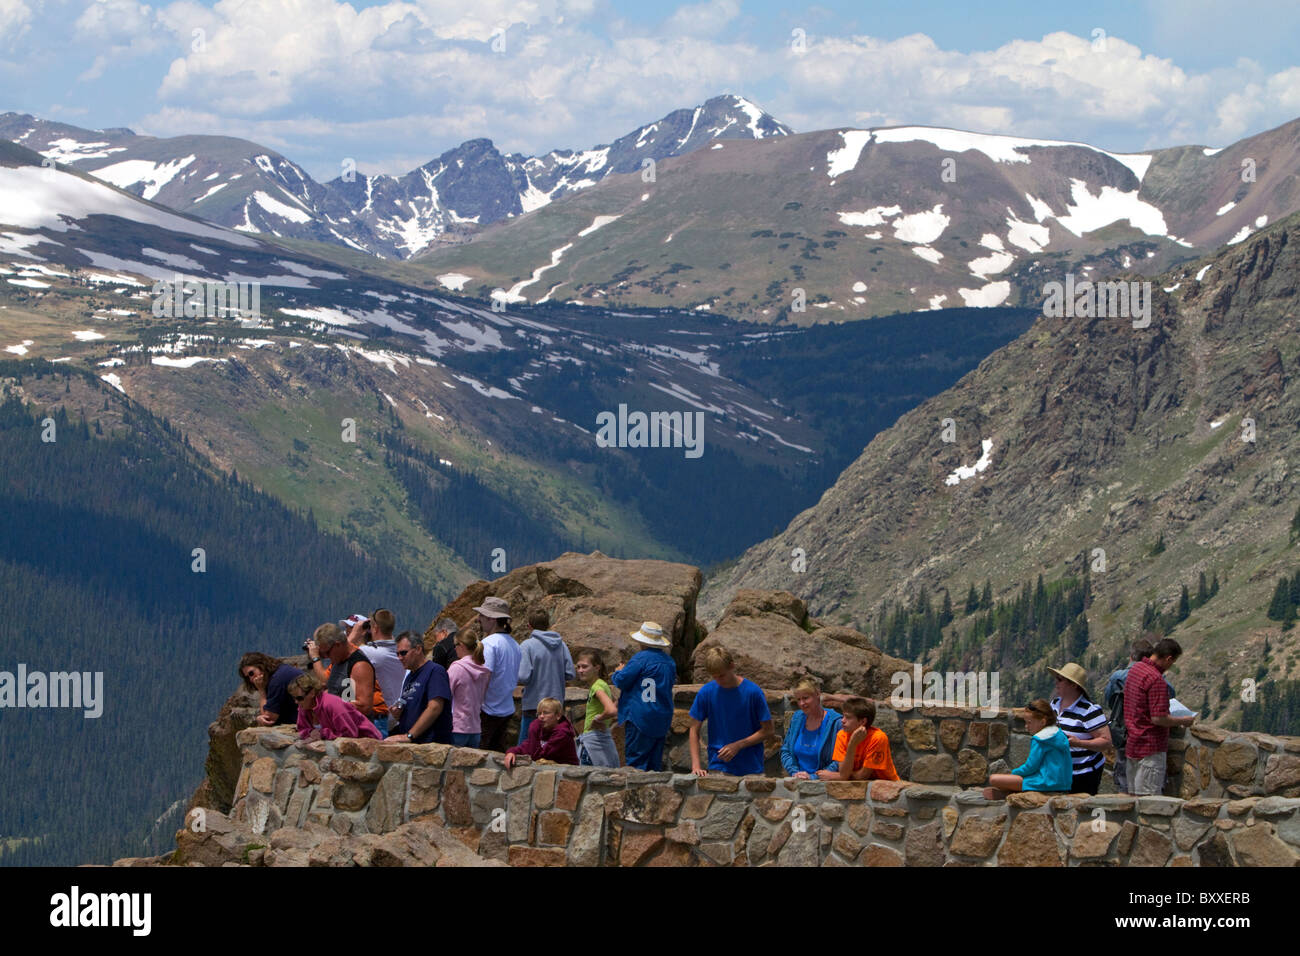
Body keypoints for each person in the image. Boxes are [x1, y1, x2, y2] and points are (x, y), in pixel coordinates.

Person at [1124, 637, 1195, 796]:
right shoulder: (1156, 679)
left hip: (1133, 743)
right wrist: (1184, 720)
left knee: (1132, 799)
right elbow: (1158, 718)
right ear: (1169, 658)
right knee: (1149, 802)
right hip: (1150, 747)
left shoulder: (1136, 669)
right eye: (1173, 662)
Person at [688, 646, 774, 777]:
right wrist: (696, 766)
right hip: (719, 766)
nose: (719, 680)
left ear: (732, 666)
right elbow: (694, 730)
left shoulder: (753, 692)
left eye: (722, 675)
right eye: (714, 677)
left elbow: (768, 730)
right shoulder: (706, 692)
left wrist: (739, 745)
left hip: (751, 767)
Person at [1103, 637, 1174, 793]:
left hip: (1122, 733)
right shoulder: (1157, 679)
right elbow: (1168, 701)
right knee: (1148, 793)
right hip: (1148, 742)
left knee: (1125, 785)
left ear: (1131, 656)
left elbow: (1108, 700)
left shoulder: (1117, 678)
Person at [611, 622, 677, 771]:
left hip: (640, 716)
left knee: (636, 763)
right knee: (655, 765)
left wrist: (618, 672)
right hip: (661, 717)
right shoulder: (669, 662)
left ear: (642, 641)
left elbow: (622, 681)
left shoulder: (640, 658)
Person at [983, 699, 1072, 798]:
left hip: (1046, 783)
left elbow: (1030, 767)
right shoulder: (1059, 734)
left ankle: (1007, 793)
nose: (1026, 726)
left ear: (1042, 722)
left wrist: (1013, 774)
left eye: (1029, 723)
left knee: (994, 779)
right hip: (1062, 784)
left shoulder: (1041, 739)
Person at [1047, 662, 1111, 795]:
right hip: (1058, 771)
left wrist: (1079, 743)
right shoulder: (1054, 704)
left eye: (1060, 680)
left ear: (1073, 685)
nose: (1056, 683)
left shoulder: (1089, 710)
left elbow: (1106, 742)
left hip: (1083, 775)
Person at [516, 608, 575, 745]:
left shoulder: (527, 646)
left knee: (527, 747)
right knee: (552, 747)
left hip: (534, 706)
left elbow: (524, 676)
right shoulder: (561, 645)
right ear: (548, 624)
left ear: (529, 626)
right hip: (556, 707)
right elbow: (570, 673)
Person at [387, 631, 453, 744]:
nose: (400, 658)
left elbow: (435, 707)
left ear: (418, 649)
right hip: (414, 745)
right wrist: (398, 714)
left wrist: (409, 735)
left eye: (403, 653)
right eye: (397, 654)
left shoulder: (435, 671)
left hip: (431, 745)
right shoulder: (409, 677)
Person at [475, 597, 521, 752]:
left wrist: (476, 704)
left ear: (491, 619)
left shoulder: (489, 644)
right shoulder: (514, 644)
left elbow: (484, 676)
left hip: (487, 709)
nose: (478, 619)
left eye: (481, 616)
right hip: (506, 708)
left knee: (479, 754)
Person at [820, 696, 898, 781]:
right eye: (843, 716)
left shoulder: (878, 738)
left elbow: (862, 776)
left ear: (863, 722)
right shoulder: (842, 735)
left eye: (848, 717)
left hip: (886, 786)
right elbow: (844, 774)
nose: (842, 720)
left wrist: (837, 776)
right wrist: (852, 745)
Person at [780, 678, 843, 779]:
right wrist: (795, 772)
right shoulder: (797, 718)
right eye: (798, 700)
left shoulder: (836, 723)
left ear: (817, 694)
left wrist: (814, 777)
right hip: (798, 781)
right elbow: (786, 750)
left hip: (825, 784)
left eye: (805, 698)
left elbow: (840, 758)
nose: (802, 703)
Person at [289, 672, 382, 741]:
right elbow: (302, 729)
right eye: (294, 698)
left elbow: (350, 735)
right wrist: (310, 733)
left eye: (299, 698)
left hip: (368, 744)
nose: (296, 701)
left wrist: (323, 733)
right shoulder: (304, 706)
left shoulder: (333, 705)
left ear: (312, 693)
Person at [311, 622, 375, 718]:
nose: (326, 657)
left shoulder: (359, 666)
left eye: (327, 653)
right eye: (323, 654)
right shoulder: (338, 660)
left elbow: (364, 706)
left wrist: (331, 703)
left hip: (355, 729)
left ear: (338, 645)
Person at [361, 608, 406, 736]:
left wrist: (357, 631)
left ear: (375, 628)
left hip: (380, 716)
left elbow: (347, 652)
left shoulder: (370, 653)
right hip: (398, 714)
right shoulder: (401, 651)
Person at [575, 648, 620, 767]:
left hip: (593, 743)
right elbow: (617, 702)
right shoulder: (602, 684)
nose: (580, 670)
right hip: (599, 739)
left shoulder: (597, 687)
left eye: (585, 667)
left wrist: (599, 719)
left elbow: (611, 710)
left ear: (597, 668)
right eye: (578, 667)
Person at [503, 697, 578, 769]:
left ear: (558, 715)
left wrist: (534, 728)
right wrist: (512, 752)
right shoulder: (541, 728)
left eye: (546, 713)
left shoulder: (562, 733)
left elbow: (538, 756)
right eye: (539, 713)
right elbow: (528, 745)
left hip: (566, 775)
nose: (541, 716)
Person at [447, 630, 491, 748]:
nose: (454, 649)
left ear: (461, 645)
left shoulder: (457, 668)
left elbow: (445, 694)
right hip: (475, 728)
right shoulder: (483, 671)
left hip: (457, 727)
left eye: (455, 645)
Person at [240, 652, 303, 727]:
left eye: (251, 673)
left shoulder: (276, 681)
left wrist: (261, 690)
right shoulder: (280, 670)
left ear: (261, 666)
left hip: (302, 721)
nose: (251, 679)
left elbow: (268, 719)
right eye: (247, 677)